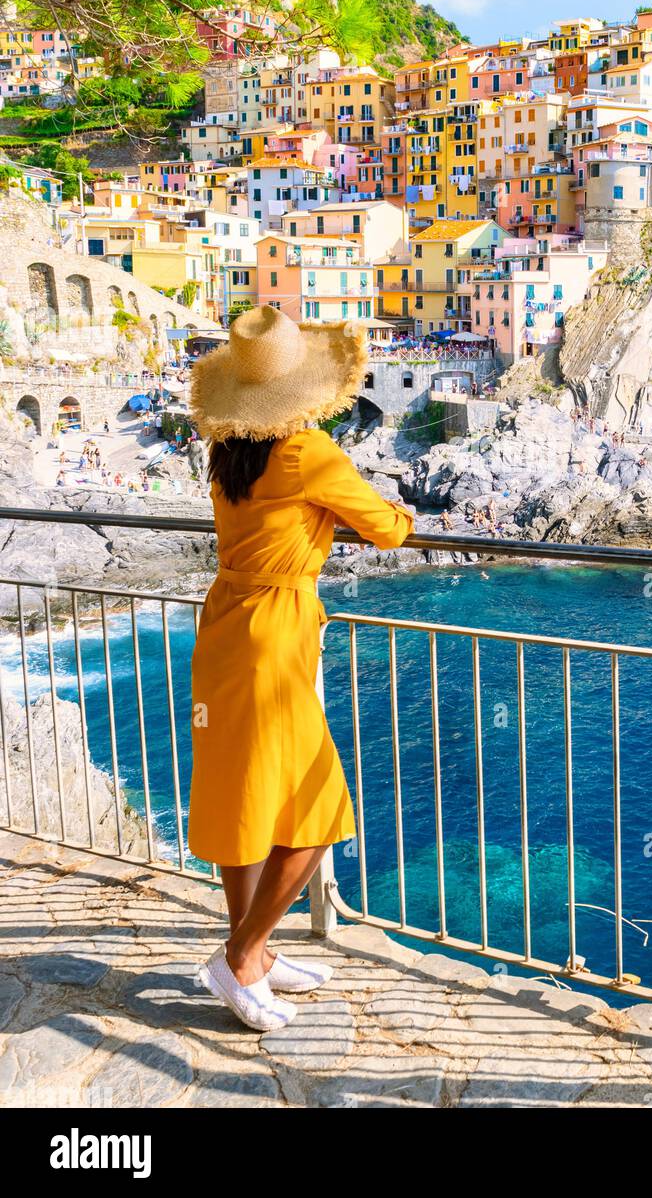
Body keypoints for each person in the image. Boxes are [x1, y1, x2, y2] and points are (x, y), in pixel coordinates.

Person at [187, 306, 414, 1033]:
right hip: (274, 638)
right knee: (318, 808)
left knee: (242, 795)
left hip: (225, 625)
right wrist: (401, 513)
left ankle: (255, 951)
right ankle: (241, 954)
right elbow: (384, 527)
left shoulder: (228, 450)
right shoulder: (308, 451)